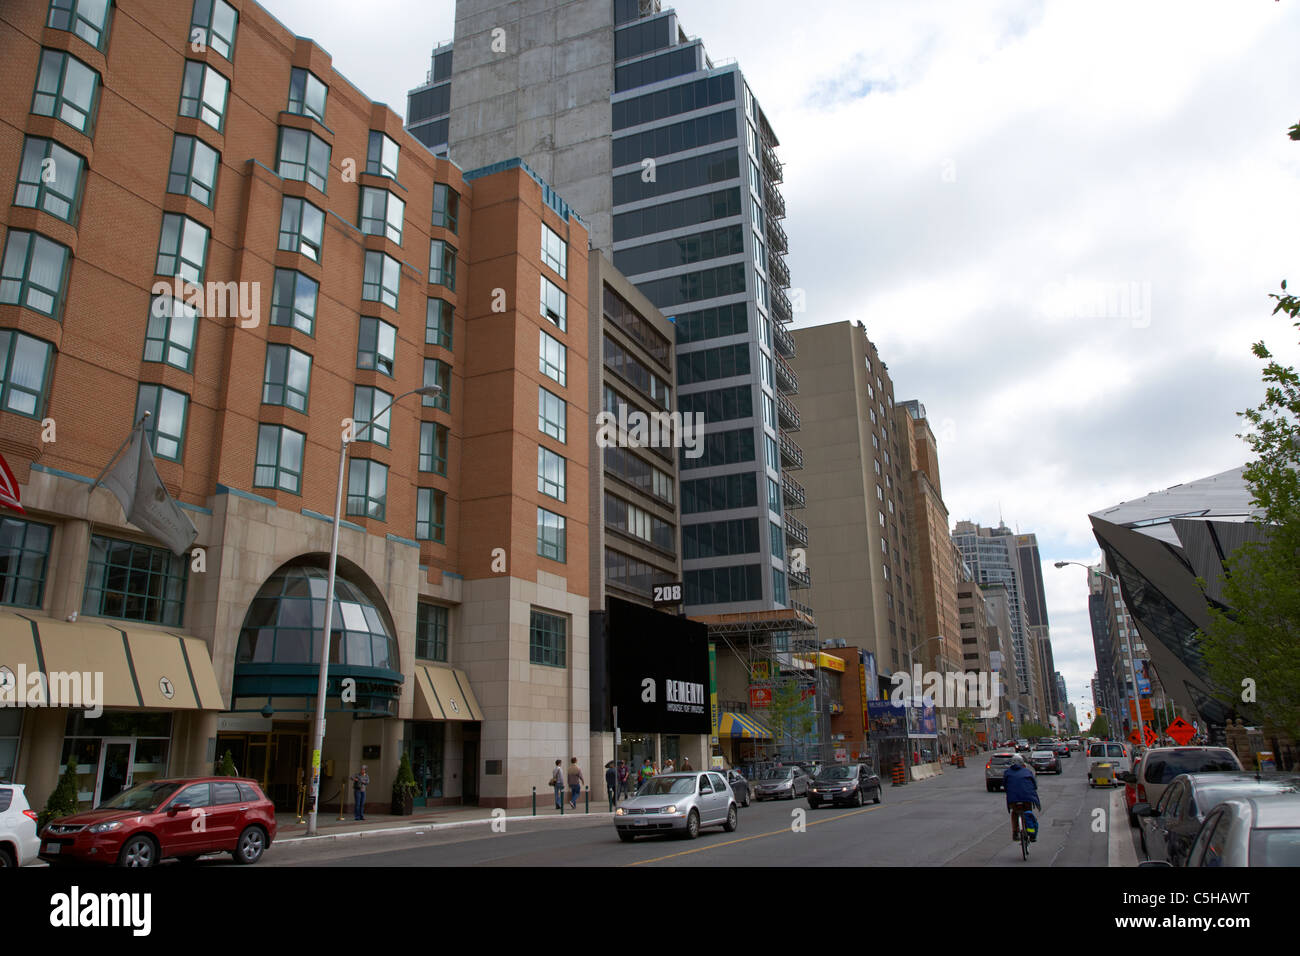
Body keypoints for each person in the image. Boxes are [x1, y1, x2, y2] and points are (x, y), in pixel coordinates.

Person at [1003, 754, 1041, 842]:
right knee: (1028, 812)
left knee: (1014, 813)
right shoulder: (1027, 772)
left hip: (1013, 798)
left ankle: (1015, 832)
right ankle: (1031, 833)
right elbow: (1034, 785)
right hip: (1027, 797)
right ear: (1022, 763)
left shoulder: (1007, 772)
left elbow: (1005, 785)